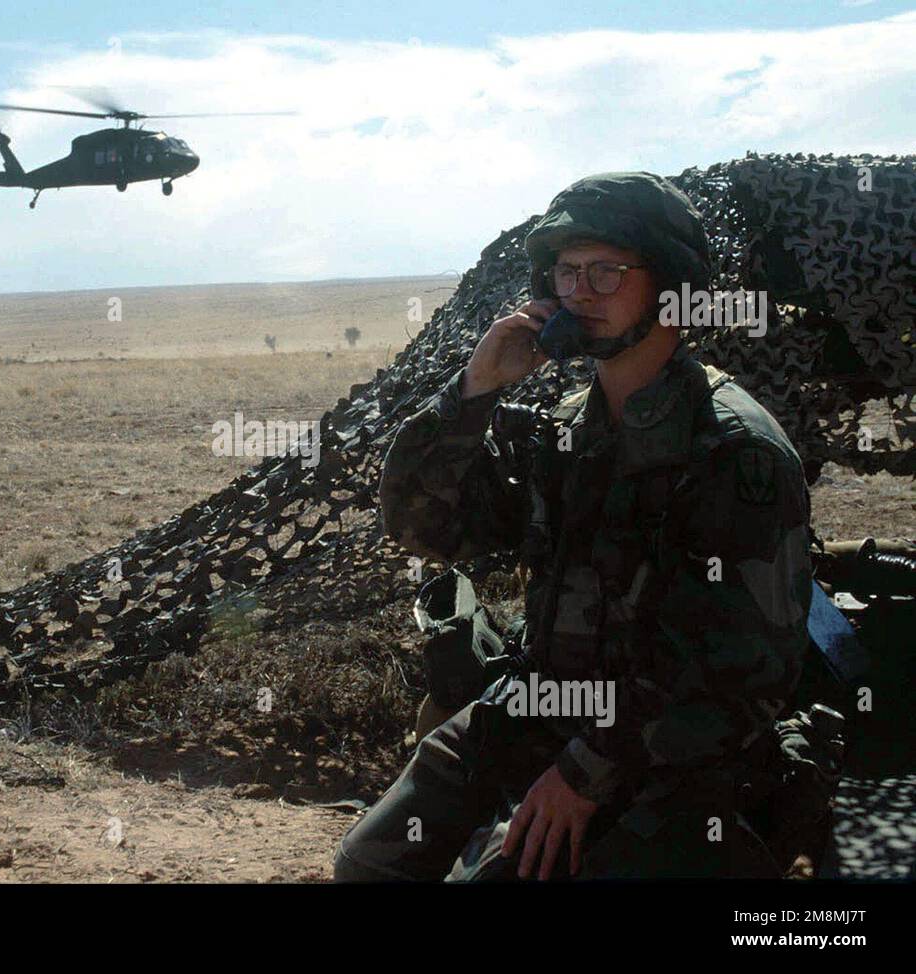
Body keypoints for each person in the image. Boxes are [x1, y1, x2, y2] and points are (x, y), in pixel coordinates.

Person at [333, 172, 814, 881]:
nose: (579, 291)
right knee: (371, 866)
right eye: (566, 272)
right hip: (542, 708)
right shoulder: (565, 433)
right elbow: (424, 525)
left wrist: (585, 771)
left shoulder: (735, 450)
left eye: (606, 271)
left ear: (671, 287)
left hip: (667, 752)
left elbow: (741, 678)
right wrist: (473, 393)